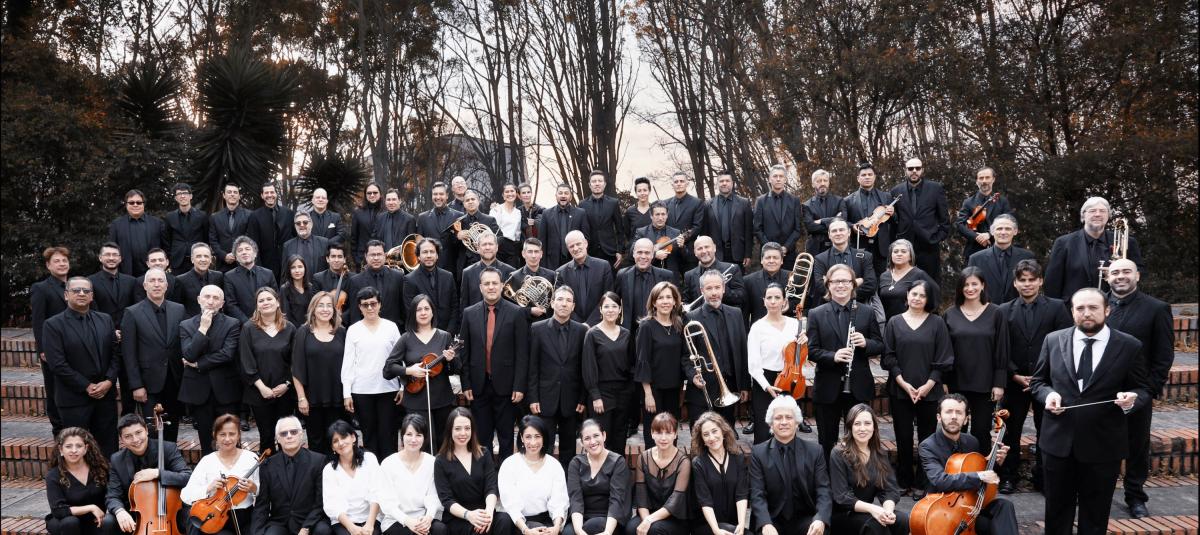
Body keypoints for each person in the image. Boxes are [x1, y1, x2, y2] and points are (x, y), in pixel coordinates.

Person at [1032, 288, 1152, 534]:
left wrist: (1133, 399)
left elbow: (1142, 388)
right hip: (1058, 444)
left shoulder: (1129, 345)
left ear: (1107, 310)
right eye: (1080, 308)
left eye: (1093, 308)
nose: (1087, 313)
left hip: (1103, 446)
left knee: (1095, 517)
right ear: (1072, 312)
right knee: (1056, 513)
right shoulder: (1053, 340)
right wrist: (1049, 395)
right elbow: (1038, 383)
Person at [1104, 258, 1174, 517]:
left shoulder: (1157, 308)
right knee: (1100, 446)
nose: (1120, 276)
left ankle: (1135, 496)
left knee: (1136, 447)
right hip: (1101, 391)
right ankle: (1099, 492)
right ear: (1107, 277)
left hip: (1137, 392)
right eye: (1115, 272)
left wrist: (1148, 391)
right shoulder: (1097, 304)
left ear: (1137, 276)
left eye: (1126, 272)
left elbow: (1164, 356)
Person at [995, 260, 1070, 494]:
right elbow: (1000, 348)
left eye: (1032, 280)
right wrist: (1014, 374)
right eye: (1022, 280)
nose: (1027, 284)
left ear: (1040, 281)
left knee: (1046, 431)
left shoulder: (1057, 308)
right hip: (1014, 381)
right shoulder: (1003, 310)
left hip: (1047, 382)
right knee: (1010, 432)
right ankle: (1008, 477)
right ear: (1015, 283)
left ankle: (1044, 477)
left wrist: (1040, 377)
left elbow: (1064, 345)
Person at [880, 280, 951, 496]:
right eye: (913, 294)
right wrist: (902, 382)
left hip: (929, 391)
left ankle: (922, 482)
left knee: (927, 438)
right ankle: (903, 481)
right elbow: (888, 356)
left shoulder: (937, 323)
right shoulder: (894, 322)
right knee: (902, 437)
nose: (917, 298)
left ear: (928, 299)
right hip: (900, 390)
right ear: (907, 295)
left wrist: (929, 385)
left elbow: (944, 357)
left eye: (922, 295)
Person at [807, 264, 884, 461]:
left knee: (860, 439)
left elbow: (879, 345)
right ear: (828, 285)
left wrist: (866, 343)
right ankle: (827, 483)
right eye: (836, 281)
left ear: (852, 285)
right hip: (828, 385)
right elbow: (812, 351)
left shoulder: (866, 312)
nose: (841, 285)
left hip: (858, 384)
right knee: (827, 439)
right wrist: (833, 356)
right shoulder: (816, 313)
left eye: (845, 281)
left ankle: (859, 477)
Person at [918, 395, 1017, 535]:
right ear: (939, 417)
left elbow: (980, 473)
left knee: (1004, 505)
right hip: (942, 511)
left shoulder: (971, 442)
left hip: (970, 508)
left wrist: (996, 462)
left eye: (959, 413)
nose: (954, 417)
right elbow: (940, 480)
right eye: (948, 412)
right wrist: (979, 475)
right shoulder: (928, 446)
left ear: (965, 419)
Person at [459, 267, 530, 461]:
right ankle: (487, 479)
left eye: (495, 283)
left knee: (507, 436)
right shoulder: (469, 313)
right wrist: (466, 384)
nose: (491, 287)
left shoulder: (516, 313)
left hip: (507, 388)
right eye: (487, 283)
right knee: (482, 437)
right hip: (478, 386)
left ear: (502, 286)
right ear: (480, 287)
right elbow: (464, 352)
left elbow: (523, 353)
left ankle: (506, 478)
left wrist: (519, 385)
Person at [43, 277, 119, 456]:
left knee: (108, 449)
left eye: (86, 291)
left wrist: (109, 381)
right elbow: (57, 364)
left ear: (92, 296)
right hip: (73, 400)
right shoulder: (53, 325)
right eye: (76, 290)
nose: (82, 294)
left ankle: (108, 484)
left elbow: (115, 354)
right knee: (76, 452)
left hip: (105, 398)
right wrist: (86, 385)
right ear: (66, 295)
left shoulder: (105, 320)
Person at [944, 266, 1010, 452]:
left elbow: (1001, 350)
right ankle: (955, 471)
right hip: (957, 382)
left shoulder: (996, 313)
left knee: (981, 431)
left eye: (974, 284)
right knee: (955, 429)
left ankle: (979, 474)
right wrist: (944, 381)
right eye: (965, 285)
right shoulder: (950, 314)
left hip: (985, 384)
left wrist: (999, 383)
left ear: (983, 285)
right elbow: (945, 350)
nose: (970, 288)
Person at [383, 294, 459, 453]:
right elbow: (388, 369)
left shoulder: (445, 336)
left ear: (432, 312)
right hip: (416, 401)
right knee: (422, 445)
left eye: (427, 308)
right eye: (419, 309)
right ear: (413, 314)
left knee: (444, 444)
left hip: (442, 400)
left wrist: (451, 360)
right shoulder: (406, 338)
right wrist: (409, 370)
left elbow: (456, 369)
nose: (423, 312)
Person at [121, 268, 187, 442]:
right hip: (148, 383)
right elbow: (128, 353)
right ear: (145, 285)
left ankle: (170, 464)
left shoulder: (179, 309)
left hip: (174, 379)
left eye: (160, 281)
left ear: (166, 285)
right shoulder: (132, 312)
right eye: (152, 281)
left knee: (172, 426)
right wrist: (136, 385)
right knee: (153, 431)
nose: (156, 284)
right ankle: (153, 466)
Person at [749, 396, 831, 535]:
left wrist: (820, 518)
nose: (784, 422)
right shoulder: (758, 453)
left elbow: (823, 490)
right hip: (771, 519)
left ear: (797, 422)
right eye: (778, 418)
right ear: (771, 424)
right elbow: (757, 494)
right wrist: (765, 523)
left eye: (789, 417)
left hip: (806, 518)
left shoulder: (815, 451)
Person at [528, 287, 589, 467]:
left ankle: (566, 486)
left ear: (573, 306)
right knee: (543, 445)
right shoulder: (537, 329)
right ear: (552, 303)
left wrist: (582, 398)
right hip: (545, 398)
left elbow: (583, 368)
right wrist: (533, 397)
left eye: (568, 301)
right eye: (560, 299)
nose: (564, 303)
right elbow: (532, 367)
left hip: (571, 399)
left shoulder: (581, 331)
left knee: (569, 448)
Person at [180, 285, 243, 456]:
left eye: (216, 298)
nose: (211, 301)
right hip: (199, 392)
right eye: (207, 297)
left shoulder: (233, 323)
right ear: (199, 300)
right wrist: (203, 328)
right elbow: (189, 354)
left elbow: (227, 354)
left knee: (231, 437)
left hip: (226, 390)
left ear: (222, 303)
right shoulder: (186, 325)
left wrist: (200, 364)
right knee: (206, 441)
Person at [684, 269, 750, 429]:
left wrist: (744, 385)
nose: (714, 293)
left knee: (726, 433)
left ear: (724, 288)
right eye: (709, 288)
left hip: (729, 387)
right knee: (700, 436)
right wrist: (693, 376)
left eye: (717, 287)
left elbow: (743, 351)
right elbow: (685, 356)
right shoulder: (692, 317)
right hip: (703, 388)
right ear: (702, 291)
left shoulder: (736, 313)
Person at [1044, 196, 1144, 301]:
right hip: (1073, 309)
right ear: (1083, 216)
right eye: (1092, 211)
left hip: (1116, 307)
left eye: (1102, 211)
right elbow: (1052, 282)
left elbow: (1139, 273)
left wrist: (1120, 272)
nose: (1098, 214)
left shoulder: (1127, 241)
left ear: (1108, 216)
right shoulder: (1063, 243)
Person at [105, 414, 192, 533]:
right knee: (109, 520)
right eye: (128, 436)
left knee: (192, 514)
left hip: (171, 512)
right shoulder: (117, 459)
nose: (135, 439)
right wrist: (120, 511)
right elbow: (112, 495)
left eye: (138, 432)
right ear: (122, 439)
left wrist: (158, 473)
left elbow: (187, 476)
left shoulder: (168, 448)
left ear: (146, 430)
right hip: (138, 516)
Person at [343, 286, 403, 458]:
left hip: (388, 388)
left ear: (380, 305)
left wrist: (403, 386)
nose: (370, 308)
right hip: (362, 390)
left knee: (389, 434)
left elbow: (400, 358)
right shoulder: (353, 330)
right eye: (365, 305)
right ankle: (372, 473)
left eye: (373, 304)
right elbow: (348, 362)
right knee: (369, 435)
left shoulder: (391, 327)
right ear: (359, 307)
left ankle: (389, 474)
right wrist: (347, 392)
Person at [829, 405, 906, 535]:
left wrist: (887, 511)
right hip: (843, 515)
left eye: (867, 423)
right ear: (850, 427)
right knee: (876, 526)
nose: (863, 428)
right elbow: (842, 497)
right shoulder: (838, 453)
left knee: (902, 520)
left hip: (868, 512)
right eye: (857, 424)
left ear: (874, 427)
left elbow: (889, 489)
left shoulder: (879, 453)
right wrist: (874, 509)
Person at [435, 408, 512, 535]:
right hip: (459, 517)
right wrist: (469, 515)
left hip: (483, 512)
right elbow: (446, 500)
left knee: (505, 520)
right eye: (458, 428)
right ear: (450, 430)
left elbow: (491, 488)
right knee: (477, 532)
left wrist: (488, 512)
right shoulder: (440, 460)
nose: (463, 433)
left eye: (467, 428)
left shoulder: (484, 453)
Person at [252, 416, 334, 535]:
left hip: (311, 520)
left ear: (301, 435)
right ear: (278, 439)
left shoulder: (318, 461)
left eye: (293, 432)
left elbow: (320, 502)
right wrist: (256, 532)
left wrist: (306, 527)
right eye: (284, 433)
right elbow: (262, 504)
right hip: (280, 522)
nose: (289, 436)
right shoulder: (268, 465)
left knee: (323, 531)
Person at [747, 284, 807, 444]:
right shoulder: (757, 327)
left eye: (777, 297)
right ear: (764, 301)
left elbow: (800, 357)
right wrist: (767, 386)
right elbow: (753, 364)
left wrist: (804, 343)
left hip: (789, 379)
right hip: (765, 381)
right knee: (763, 430)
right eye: (769, 298)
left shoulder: (795, 324)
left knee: (787, 427)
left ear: (784, 301)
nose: (773, 301)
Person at [180, 414, 260, 535]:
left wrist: (254, 488)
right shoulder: (207, 461)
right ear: (215, 436)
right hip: (215, 518)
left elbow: (265, 491)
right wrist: (208, 488)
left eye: (232, 434)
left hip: (246, 517)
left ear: (238, 435)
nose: (227, 439)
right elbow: (186, 495)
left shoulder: (251, 458)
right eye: (222, 434)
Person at [292, 291, 349, 455]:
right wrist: (301, 398)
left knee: (339, 443)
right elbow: (297, 367)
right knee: (316, 443)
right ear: (313, 309)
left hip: (338, 399)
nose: (325, 309)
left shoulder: (342, 332)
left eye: (329, 306)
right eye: (321, 305)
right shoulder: (303, 332)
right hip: (312, 400)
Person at [239, 287, 297, 447]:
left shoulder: (290, 328)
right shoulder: (248, 328)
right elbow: (246, 361)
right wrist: (262, 388)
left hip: (284, 392)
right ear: (257, 306)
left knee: (286, 437)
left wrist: (287, 384)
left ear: (278, 302)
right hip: (258, 393)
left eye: (269, 299)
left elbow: (295, 361)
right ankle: (268, 470)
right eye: (261, 300)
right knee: (266, 437)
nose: (266, 303)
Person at [582, 292, 636, 454]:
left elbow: (632, 364)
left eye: (614, 306)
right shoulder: (592, 334)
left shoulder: (626, 334)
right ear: (600, 310)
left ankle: (617, 475)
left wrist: (630, 390)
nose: (610, 310)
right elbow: (588, 367)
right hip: (601, 394)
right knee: (600, 437)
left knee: (620, 436)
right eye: (606, 306)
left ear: (620, 310)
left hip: (623, 392)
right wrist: (595, 395)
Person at [499, 416, 570, 535]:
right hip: (519, 524)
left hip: (548, 523)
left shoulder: (554, 465)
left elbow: (559, 501)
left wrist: (556, 527)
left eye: (537, 436)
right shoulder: (509, 464)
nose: (533, 442)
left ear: (544, 438)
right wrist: (526, 530)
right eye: (528, 437)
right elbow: (511, 505)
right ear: (521, 437)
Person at [634, 282, 686, 447]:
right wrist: (648, 394)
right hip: (653, 390)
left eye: (669, 297)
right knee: (654, 433)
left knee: (671, 432)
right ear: (654, 302)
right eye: (660, 297)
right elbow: (642, 361)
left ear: (675, 301)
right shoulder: (646, 326)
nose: (665, 301)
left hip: (673, 388)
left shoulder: (679, 325)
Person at [378, 414, 445, 535]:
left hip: (423, 518)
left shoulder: (432, 462)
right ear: (402, 436)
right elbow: (387, 503)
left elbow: (433, 496)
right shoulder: (388, 463)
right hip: (396, 520)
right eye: (409, 434)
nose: (413, 440)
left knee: (440, 530)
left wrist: (428, 518)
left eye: (418, 435)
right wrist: (408, 521)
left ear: (424, 438)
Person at [888, 158, 949, 282]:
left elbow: (945, 220)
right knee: (905, 284)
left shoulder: (936, 188)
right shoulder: (896, 191)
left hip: (929, 246)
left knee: (931, 283)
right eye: (910, 169)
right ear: (905, 171)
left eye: (917, 168)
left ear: (922, 170)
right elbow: (894, 221)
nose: (914, 171)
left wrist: (936, 238)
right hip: (905, 247)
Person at [628, 413, 690, 535]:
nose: (663, 438)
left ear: (675, 434)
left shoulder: (683, 462)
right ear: (651, 433)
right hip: (649, 512)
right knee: (631, 529)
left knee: (655, 530)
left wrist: (649, 521)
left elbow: (676, 501)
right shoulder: (643, 458)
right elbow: (641, 496)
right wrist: (646, 519)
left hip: (675, 517)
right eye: (658, 432)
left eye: (668, 433)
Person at [564, 420, 630, 535]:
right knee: (568, 533)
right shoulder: (576, 463)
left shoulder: (618, 462)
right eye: (587, 438)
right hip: (582, 517)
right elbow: (575, 499)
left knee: (593, 525)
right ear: (581, 442)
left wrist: (608, 532)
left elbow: (616, 500)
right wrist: (579, 531)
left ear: (604, 435)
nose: (592, 441)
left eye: (596, 436)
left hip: (610, 519)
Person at [32, 246, 71, 435]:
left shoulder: (75, 286)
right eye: (57, 261)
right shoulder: (41, 288)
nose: (62, 264)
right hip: (52, 348)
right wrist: (43, 349)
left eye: (64, 260)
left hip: (74, 346)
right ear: (48, 265)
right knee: (54, 388)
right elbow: (38, 322)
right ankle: (59, 429)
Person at [689, 412, 748, 535]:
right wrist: (716, 530)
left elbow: (741, 494)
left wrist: (742, 524)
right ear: (702, 440)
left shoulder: (738, 458)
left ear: (723, 432)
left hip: (733, 524)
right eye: (706, 434)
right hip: (707, 525)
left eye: (714, 431)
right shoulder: (698, 463)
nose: (711, 437)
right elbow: (705, 501)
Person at [45, 428, 111, 535]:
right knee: (70, 522)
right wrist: (91, 507)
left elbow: (112, 495)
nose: (74, 450)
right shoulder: (53, 475)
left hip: (94, 520)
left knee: (110, 523)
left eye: (79, 446)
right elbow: (59, 511)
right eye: (68, 446)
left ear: (86, 448)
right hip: (64, 521)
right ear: (61, 450)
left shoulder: (100, 469)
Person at [324, 420, 385, 535]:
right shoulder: (329, 470)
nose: (341, 443)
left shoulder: (369, 459)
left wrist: (370, 524)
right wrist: (351, 528)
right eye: (335, 441)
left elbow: (377, 492)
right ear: (332, 447)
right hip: (343, 522)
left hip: (371, 518)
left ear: (353, 437)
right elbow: (331, 504)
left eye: (344, 437)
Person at [809, 219, 877, 308]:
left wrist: (843, 295)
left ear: (849, 232)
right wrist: (856, 282)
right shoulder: (820, 259)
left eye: (841, 230)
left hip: (859, 307)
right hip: (831, 308)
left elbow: (871, 285)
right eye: (834, 231)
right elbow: (821, 287)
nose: (838, 233)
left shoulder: (865, 256)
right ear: (829, 235)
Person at [966, 214, 1033, 304]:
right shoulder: (976, 259)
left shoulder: (1027, 257)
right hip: (987, 313)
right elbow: (971, 289)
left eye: (1008, 229)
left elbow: (1032, 287)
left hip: (1019, 313)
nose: (1003, 232)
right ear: (992, 232)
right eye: (999, 229)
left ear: (1015, 231)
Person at [614, 239, 675, 333]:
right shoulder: (622, 275)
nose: (643, 256)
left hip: (658, 331)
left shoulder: (666, 275)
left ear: (652, 255)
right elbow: (614, 303)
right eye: (639, 252)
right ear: (633, 254)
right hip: (630, 334)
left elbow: (674, 305)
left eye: (647, 253)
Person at [954, 167, 1014, 262]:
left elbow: (1009, 222)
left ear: (993, 179)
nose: (984, 181)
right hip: (974, 250)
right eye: (981, 178)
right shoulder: (968, 202)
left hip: (999, 250)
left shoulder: (1002, 201)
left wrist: (989, 234)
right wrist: (977, 236)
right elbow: (960, 224)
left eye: (987, 177)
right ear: (977, 181)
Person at [843, 164, 893, 276]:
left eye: (870, 174)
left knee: (882, 280)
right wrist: (852, 227)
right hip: (859, 246)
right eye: (863, 175)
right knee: (860, 279)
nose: (867, 177)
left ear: (874, 177)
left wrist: (893, 214)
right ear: (858, 178)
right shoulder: (848, 200)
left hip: (881, 247)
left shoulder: (886, 197)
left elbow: (895, 222)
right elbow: (843, 222)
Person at [556, 231, 615, 325]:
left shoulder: (603, 266)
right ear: (568, 249)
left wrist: (590, 323)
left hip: (599, 325)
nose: (575, 248)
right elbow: (562, 303)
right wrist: (579, 325)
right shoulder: (561, 272)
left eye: (578, 244)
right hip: (572, 327)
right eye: (571, 246)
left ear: (586, 243)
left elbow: (608, 298)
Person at [402, 238, 460, 333]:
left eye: (432, 252)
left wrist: (449, 333)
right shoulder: (409, 280)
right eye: (425, 252)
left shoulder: (448, 276)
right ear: (418, 256)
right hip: (423, 336)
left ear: (437, 255)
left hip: (448, 334)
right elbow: (410, 312)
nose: (429, 255)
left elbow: (454, 307)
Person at [754, 165, 804, 266]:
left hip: (788, 254)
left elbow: (798, 228)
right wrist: (770, 248)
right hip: (767, 254)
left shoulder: (794, 201)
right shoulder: (760, 201)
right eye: (775, 176)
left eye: (781, 176)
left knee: (788, 281)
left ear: (785, 179)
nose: (778, 179)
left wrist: (786, 247)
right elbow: (757, 228)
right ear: (769, 179)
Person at [875, 240, 937, 321]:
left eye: (903, 252)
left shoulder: (919, 274)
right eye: (895, 252)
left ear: (910, 256)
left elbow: (935, 295)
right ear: (891, 255)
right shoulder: (884, 276)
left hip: (912, 323)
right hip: (887, 324)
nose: (899, 254)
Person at [108, 189, 166, 277]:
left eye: (139, 202)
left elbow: (165, 247)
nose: (135, 205)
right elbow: (112, 249)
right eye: (131, 202)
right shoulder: (116, 225)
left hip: (153, 273)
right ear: (126, 204)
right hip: (125, 273)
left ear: (144, 204)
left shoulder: (157, 223)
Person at [246, 182, 296, 282]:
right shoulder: (255, 216)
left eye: (272, 192)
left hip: (287, 262)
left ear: (276, 194)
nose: (269, 195)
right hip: (265, 264)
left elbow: (294, 237)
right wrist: (257, 266)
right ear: (262, 195)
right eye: (266, 193)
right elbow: (253, 243)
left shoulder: (288, 213)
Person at [347, 240, 405, 327]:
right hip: (367, 332)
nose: (376, 258)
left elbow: (403, 307)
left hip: (395, 330)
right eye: (372, 255)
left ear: (385, 256)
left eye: (379, 254)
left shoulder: (398, 277)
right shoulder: (355, 281)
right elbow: (354, 313)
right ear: (366, 256)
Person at [222, 236, 279, 323]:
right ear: (236, 257)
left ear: (255, 253)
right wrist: (248, 323)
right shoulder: (229, 277)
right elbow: (231, 305)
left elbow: (276, 298)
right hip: (243, 326)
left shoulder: (268, 274)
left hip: (269, 322)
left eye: (247, 249)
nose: (244, 252)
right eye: (240, 250)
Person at [705, 171, 754, 268]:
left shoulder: (744, 203)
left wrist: (748, 254)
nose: (724, 183)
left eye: (727, 181)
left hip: (738, 254)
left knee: (738, 282)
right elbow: (705, 232)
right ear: (717, 184)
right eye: (721, 181)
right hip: (716, 254)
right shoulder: (708, 204)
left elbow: (749, 231)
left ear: (732, 183)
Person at [580, 170, 626, 268]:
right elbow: (582, 230)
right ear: (589, 184)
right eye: (594, 181)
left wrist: (620, 251)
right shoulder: (582, 204)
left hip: (610, 252)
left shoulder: (613, 203)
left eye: (600, 181)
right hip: (590, 252)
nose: (597, 184)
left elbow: (620, 230)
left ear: (604, 184)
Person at [682, 237, 745, 308]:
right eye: (700, 248)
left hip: (724, 317)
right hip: (699, 318)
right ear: (695, 252)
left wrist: (720, 288)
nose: (704, 251)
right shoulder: (689, 275)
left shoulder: (732, 269)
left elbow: (740, 297)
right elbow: (686, 301)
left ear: (714, 248)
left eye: (707, 247)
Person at [416, 182, 464, 273]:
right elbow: (419, 245)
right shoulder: (422, 218)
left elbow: (461, 246)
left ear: (447, 196)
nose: (438, 197)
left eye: (441, 194)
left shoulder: (459, 216)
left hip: (452, 270)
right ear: (432, 196)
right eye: (435, 194)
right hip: (428, 270)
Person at [538, 185, 590, 270]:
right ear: (556, 196)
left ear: (570, 197)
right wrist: (543, 266)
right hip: (552, 263)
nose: (563, 195)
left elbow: (586, 239)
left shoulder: (580, 213)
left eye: (566, 193)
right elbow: (542, 241)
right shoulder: (546, 214)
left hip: (576, 262)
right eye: (560, 193)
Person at [460, 232, 516, 310]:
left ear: (497, 247)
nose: (487, 247)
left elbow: (513, 305)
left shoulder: (510, 272)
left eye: (490, 244)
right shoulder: (467, 273)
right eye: (484, 244)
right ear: (478, 248)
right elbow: (464, 304)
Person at [663, 173, 705, 273]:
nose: (679, 184)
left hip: (689, 252)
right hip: (670, 252)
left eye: (682, 181)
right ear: (672, 185)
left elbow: (697, 227)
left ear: (687, 184)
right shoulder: (665, 203)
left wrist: (682, 238)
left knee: (691, 285)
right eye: (676, 182)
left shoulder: (697, 203)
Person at [164, 183, 210, 274]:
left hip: (197, 259)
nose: (182, 196)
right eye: (179, 194)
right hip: (177, 260)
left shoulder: (202, 216)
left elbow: (206, 238)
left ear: (191, 196)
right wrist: (169, 257)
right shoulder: (170, 217)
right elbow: (167, 239)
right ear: (176, 198)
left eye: (185, 193)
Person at [506, 238, 556, 321]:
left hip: (546, 323)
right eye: (530, 252)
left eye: (536, 251)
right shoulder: (515, 276)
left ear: (541, 254)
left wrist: (546, 310)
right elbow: (510, 307)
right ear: (523, 254)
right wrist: (529, 311)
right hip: (524, 324)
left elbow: (555, 302)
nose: (533, 256)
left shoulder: (552, 275)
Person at [742, 243, 792, 325]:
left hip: (786, 331)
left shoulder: (792, 278)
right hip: (759, 332)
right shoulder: (748, 281)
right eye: (768, 258)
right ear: (761, 260)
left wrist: (788, 306)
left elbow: (799, 305)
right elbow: (745, 313)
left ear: (782, 260)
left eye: (775, 258)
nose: (771, 261)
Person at [454, 190, 502, 271]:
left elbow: (500, 237)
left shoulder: (490, 220)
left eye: (473, 199)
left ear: (478, 202)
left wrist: (488, 243)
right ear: (464, 205)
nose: (470, 202)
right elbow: (452, 243)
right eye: (467, 200)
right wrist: (457, 236)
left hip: (486, 261)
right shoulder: (459, 221)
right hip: (465, 263)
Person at [802, 170, 847, 256]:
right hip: (815, 249)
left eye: (825, 180)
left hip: (838, 247)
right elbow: (810, 227)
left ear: (829, 183)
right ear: (813, 184)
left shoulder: (839, 201)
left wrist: (822, 221)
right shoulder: (806, 205)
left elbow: (843, 220)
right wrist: (835, 221)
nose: (822, 183)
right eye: (819, 181)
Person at [632, 203, 685, 274]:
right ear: (651, 216)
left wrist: (682, 247)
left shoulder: (676, 233)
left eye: (663, 214)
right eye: (657, 214)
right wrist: (654, 255)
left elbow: (684, 258)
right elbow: (632, 252)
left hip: (671, 275)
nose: (660, 218)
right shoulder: (641, 232)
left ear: (667, 215)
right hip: (649, 275)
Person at [210, 183, 252, 272]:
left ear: (239, 196)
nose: (232, 194)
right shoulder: (215, 217)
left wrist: (237, 255)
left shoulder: (249, 215)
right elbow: (213, 240)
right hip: (222, 264)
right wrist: (224, 256)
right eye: (229, 192)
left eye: (235, 192)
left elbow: (250, 238)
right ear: (224, 195)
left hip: (244, 263)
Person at [177, 243, 225, 318]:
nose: (203, 259)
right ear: (192, 259)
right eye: (199, 256)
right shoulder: (181, 280)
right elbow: (179, 307)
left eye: (206, 256)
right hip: (192, 324)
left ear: (210, 259)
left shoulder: (218, 276)